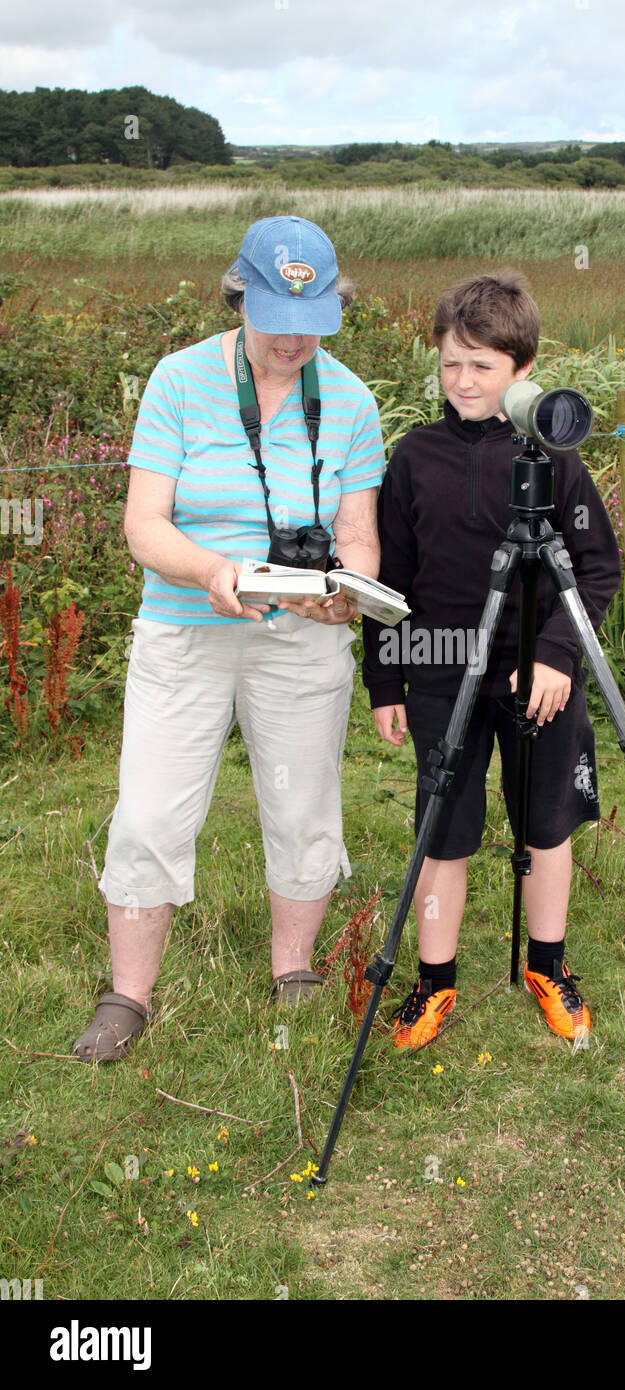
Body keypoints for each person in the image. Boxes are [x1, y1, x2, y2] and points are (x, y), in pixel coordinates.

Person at [73, 216, 385, 1062]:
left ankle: (294, 971)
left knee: (305, 804)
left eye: (314, 319)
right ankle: (128, 996)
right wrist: (215, 571)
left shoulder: (351, 399)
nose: (294, 338)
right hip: (186, 628)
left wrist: (342, 594)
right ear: (239, 293)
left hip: (301, 640)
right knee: (150, 810)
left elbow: (358, 532)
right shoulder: (178, 381)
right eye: (277, 318)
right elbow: (145, 526)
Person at [362, 271, 621, 1048]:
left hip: (537, 676)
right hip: (441, 671)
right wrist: (386, 680)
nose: (463, 380)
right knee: (443, 831)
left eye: (482, 365)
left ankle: (548, 966)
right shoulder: (415, 458)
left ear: (521, 372)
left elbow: (596, 569)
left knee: (545, 825)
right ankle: (434, 983)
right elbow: (389, 581)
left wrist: (556, 656)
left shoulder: (554, 457)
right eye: (451, 362)